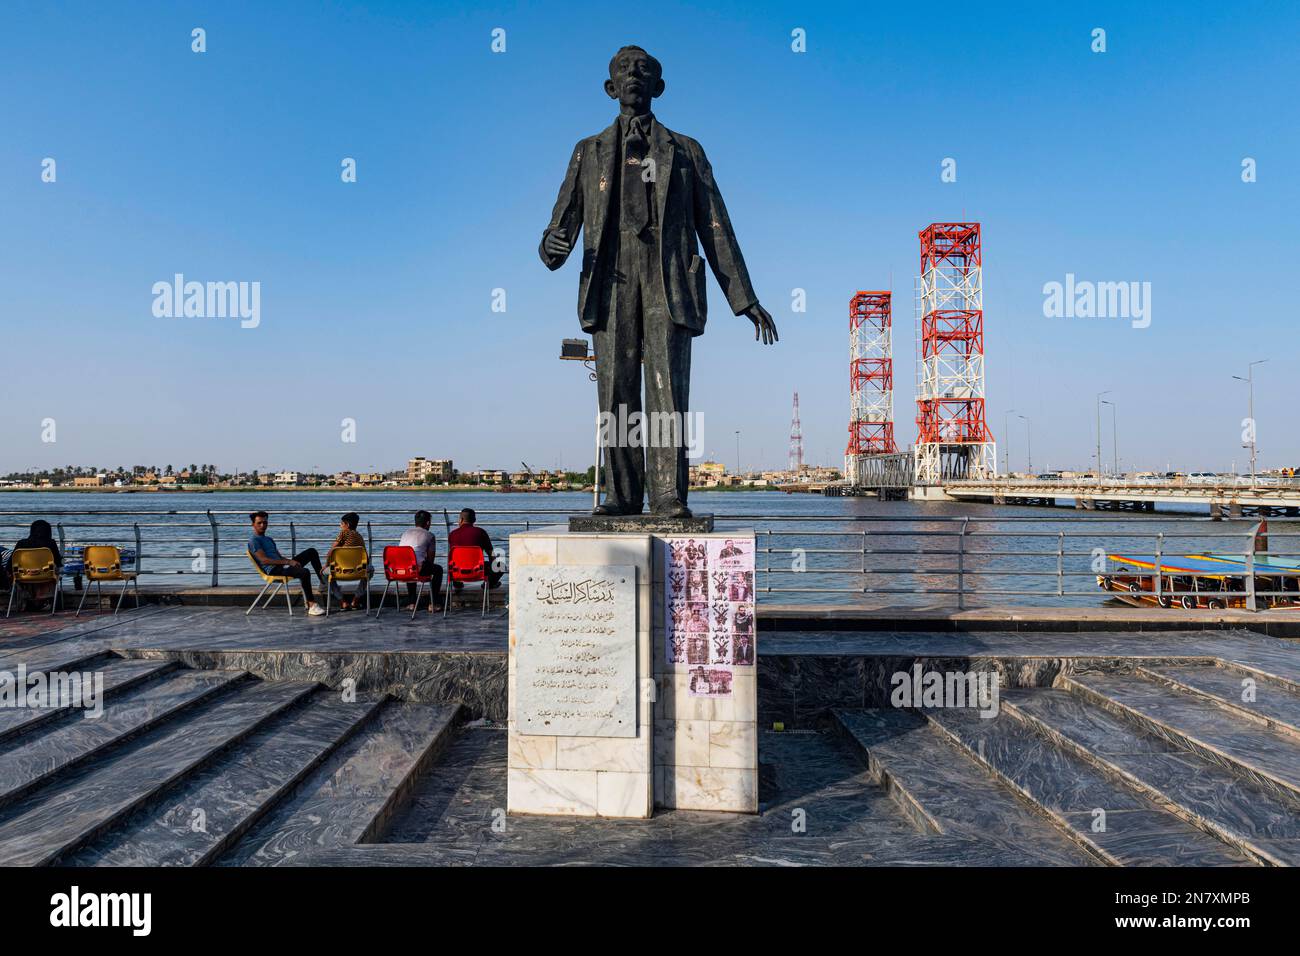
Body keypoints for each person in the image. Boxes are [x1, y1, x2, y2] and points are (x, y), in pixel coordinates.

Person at [247, 511, 327, 616]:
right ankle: (312, 605)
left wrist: (292, 562)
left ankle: (323, 583)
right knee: (304, 572)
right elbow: (264, 560)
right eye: (259, 523)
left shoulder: (268, 539)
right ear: (253, 524)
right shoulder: (254, 541)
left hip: (281, 566)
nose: (263, 525)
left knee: (311, 552)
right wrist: (288, 562)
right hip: (273, 571)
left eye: (265, 522)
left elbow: (279, 557)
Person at [5, 519, 63, 610]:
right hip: (45, 576)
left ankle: (29, 600)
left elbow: (10, 564)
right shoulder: (51, 543)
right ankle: (46, 599)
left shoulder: (21, 543)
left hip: (24, 576)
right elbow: (58, 563)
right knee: (54, 570)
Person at [398, 510, 443, 610]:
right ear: (428, 523)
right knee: (438, 569)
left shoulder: (405, 533)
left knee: (411, 564)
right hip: (417, 569)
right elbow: (431, 559)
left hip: (401, 569)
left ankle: (412, 602)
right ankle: (433, 603)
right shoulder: (429, 535)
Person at [447, 509, 503, 589]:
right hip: (477, 571)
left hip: (457, 572)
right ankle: (489, 584)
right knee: (501, 566)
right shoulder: (481, 532)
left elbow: (452, 557)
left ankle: (457, 583)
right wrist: (492, 573)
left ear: (461, 520)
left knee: (455, 563)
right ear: (474, 520)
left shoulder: (452, 534)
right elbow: (491, 555)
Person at [325, 512, 367, 611]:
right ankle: (355, 601)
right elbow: (366, 559)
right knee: (370, 570)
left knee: (323, 573)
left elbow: (331, 552)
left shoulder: (343, 533)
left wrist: (325, 565)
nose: (340, 525)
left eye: (341, 523)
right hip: (358, 572)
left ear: (347, 525)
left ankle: (342, 601)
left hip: (339, 571)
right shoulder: (360, 537)